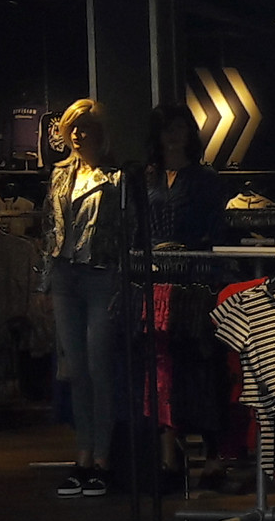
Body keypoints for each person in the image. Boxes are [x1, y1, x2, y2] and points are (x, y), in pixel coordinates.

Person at [44, 99, 127, 499]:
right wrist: (46, 282)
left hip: (100, 275)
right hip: (65, 275)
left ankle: (103, 459)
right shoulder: (60, 174)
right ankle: (82, 457)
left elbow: (125, 233)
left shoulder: (116, 177)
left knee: (98, 368)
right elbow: (50, 229)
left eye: (84, 127)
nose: (77, 134)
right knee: (75, 370)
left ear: (99, 131)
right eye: (72, 128)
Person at [144, 104, 224, 249]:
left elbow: (214, 228)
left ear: (189, 131)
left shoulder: (204, 178)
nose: (173, 134)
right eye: (166, 128)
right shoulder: (147, 177)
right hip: (152, 261)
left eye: (179, 127)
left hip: (193, 260)